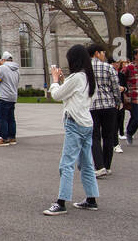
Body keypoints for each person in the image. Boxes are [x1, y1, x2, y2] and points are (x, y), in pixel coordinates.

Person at [43, 44, 100, 215]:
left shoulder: (76, 77)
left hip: (74, 124)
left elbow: (56, 95)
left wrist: (54, 81)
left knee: (66, 164)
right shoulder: (89, 77)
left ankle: (61, 202)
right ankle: (91, 198)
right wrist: (61, 82)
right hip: (86, 123)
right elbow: (74, 95)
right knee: (86, 163)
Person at [89, 43, 122, 177]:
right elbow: (115, 86)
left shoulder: (85, 69)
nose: (104, 55)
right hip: (109, 105)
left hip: (92, 106)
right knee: (108, 136)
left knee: (94, 136)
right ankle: (107, 165)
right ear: (97, 53)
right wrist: (118, 101)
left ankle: (99, 165)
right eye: (102, 52)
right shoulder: (108, 67)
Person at [0, 51, 20, 146]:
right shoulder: (16, 69)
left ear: (3, 59)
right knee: (11, 118)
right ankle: (12, 137)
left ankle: (4, 138)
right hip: (13, 96)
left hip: (3, 96)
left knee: (2, 118)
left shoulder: (2, 68)